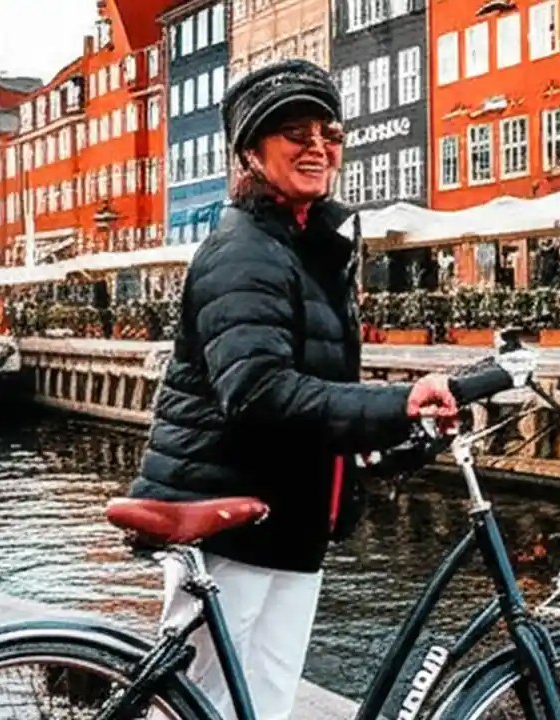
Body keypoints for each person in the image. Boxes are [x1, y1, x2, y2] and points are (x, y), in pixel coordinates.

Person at [127, 59, 457, 720]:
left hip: (293, 521)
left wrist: (398, 435)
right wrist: (394, 404)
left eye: (328, 133)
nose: (317, 147)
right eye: (294, 133)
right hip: (231, 520)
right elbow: (260, 393)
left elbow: (321, 389)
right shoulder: (242, 252)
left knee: (265, 706)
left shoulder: (314, 250)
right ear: (251, 151)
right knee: (206, 708)